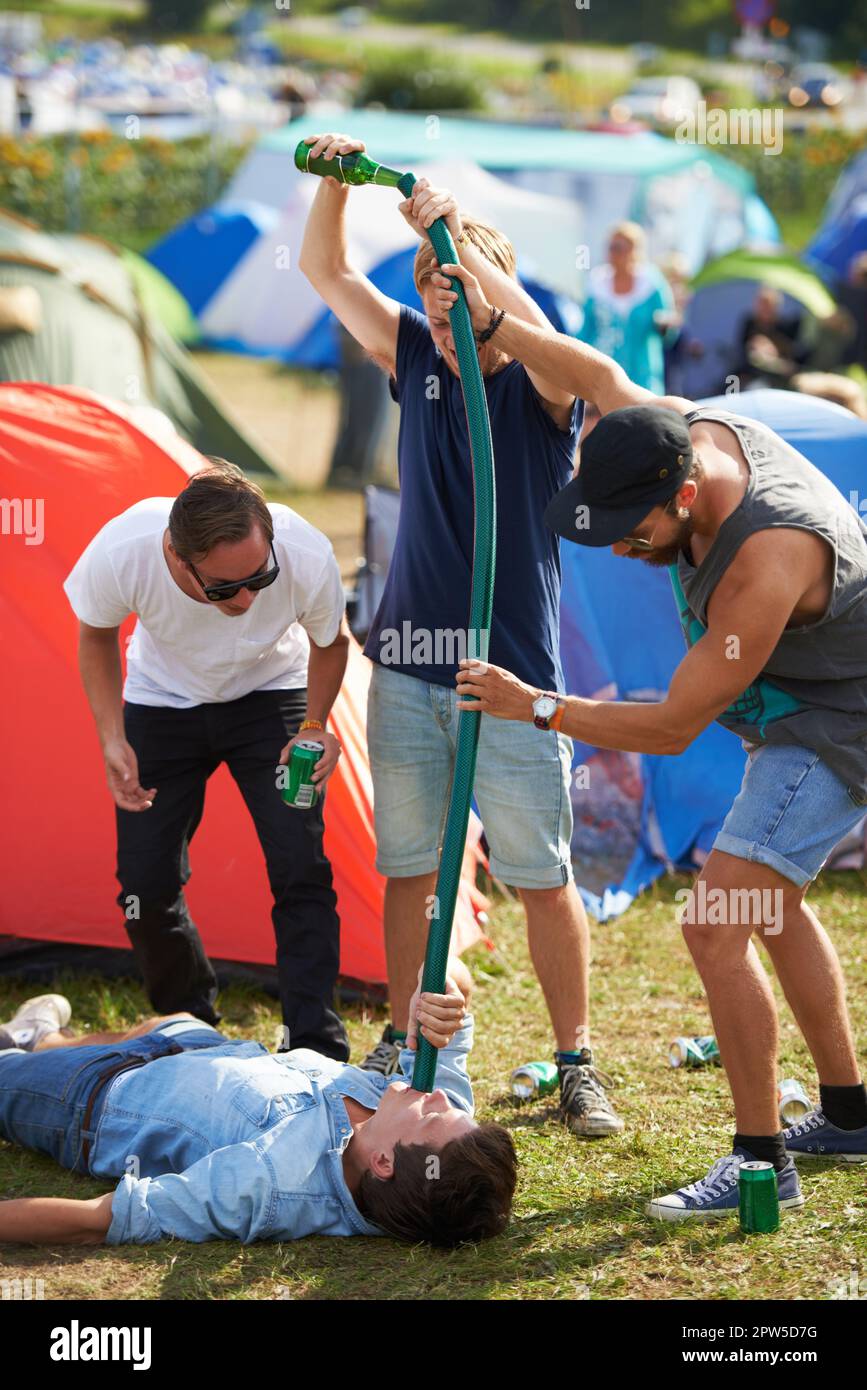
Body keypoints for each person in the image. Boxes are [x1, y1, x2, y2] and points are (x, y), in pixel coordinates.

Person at [429, 256, 867, 1218]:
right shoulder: (666, 428)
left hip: (839, 724)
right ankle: (847, 1114)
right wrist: (486, 308)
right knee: (770, 906)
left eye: (629, 534)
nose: (622, 551)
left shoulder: (769, 558)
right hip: (797, 706)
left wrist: (534, 704)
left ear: (678, 500)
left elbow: (672, 727)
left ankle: (763, 1166)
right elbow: (588, 370)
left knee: (713, 927)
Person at [298, 131, 623, 1141]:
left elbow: (546, 343)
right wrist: (332, 185)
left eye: (454, 302)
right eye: (428, 298)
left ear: (485, 295)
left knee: (539, 875)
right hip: (408, 671)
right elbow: (325, 270)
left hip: (511, 673)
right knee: (410, 868)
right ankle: (405, 1031)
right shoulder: (409, 349)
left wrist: (461, 251)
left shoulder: (538, 382)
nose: (439, 320)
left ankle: (575, 1061)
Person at [63, 460, 351, 1061]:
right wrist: (112, 737)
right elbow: (95, 633)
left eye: (260, 578)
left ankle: (315, 1045)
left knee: (301, 864)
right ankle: (189, 1026)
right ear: (176, 557)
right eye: (223, 589)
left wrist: (317, 726)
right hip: (161, 704)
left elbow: (331, 641)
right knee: (145, 884)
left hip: (273, 694)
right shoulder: (127, 547)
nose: (246, 598)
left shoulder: (303, 550)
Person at [0, 969, 517, 1248]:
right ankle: (42, 1040)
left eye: (432, 1111)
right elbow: (449, 978)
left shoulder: (272, 1184)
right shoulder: (447, 1135)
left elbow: (101, 1219)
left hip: (95, 1099)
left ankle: (25, 1053)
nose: (439, 1095)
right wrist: (438, 994)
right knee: (172, 1020)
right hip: (201, 1049)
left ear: (383, 1162)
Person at [579, 221, 675, 395]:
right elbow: (585, 331)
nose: (613, 253)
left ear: (634, 250)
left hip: (643, 379)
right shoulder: (596, 284)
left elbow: (670, 336)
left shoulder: (652, 285)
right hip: (603, 378)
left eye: (619, 247)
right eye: (611, 247)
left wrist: (665, 327)